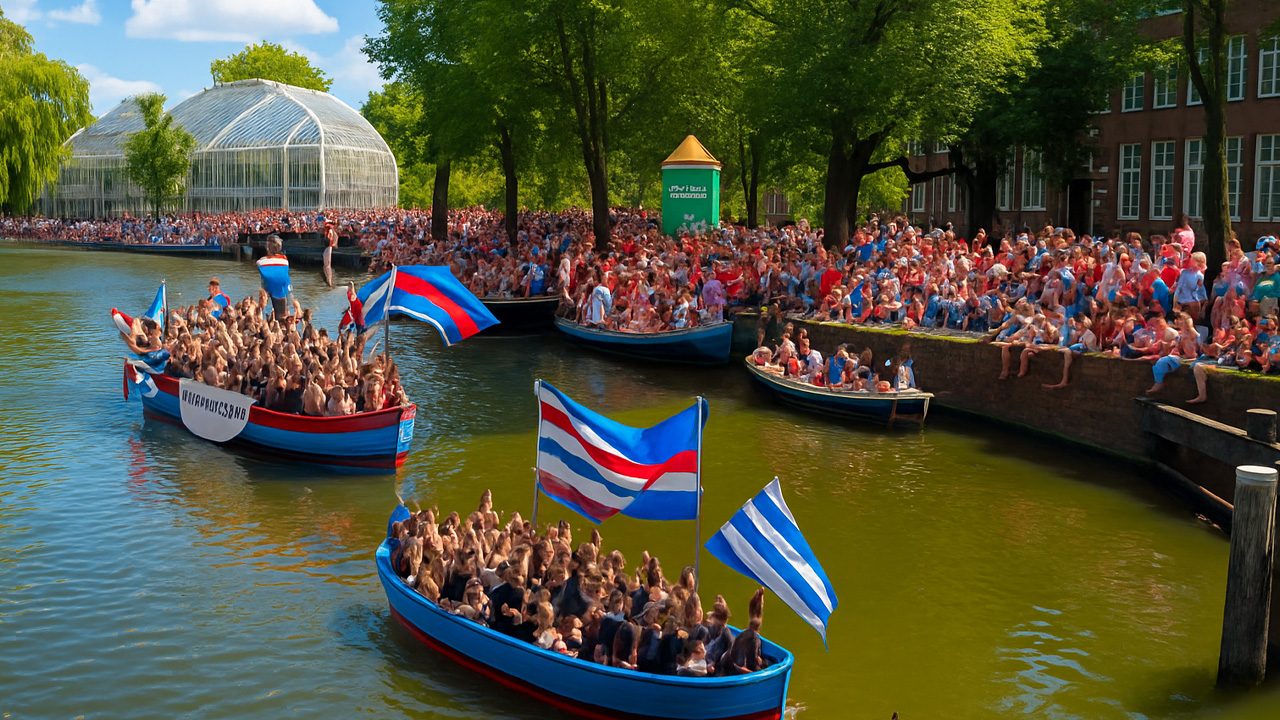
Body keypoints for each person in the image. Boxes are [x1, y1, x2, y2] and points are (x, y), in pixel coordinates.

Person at [257, 235, 294, 318]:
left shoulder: (261, 262)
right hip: (284, 288)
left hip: (268, 287)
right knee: (283, 313)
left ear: (267, 247)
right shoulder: (285, 260)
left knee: (264, 289)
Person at [323, 220, 339, 288]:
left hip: (328, 247)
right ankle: (328, 280)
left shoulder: (330, 231)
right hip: (328, 248)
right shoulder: (331, 231)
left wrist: (332, 244)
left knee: (327, 265)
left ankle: (329, 282)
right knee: (326, 265)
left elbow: (330, 238)